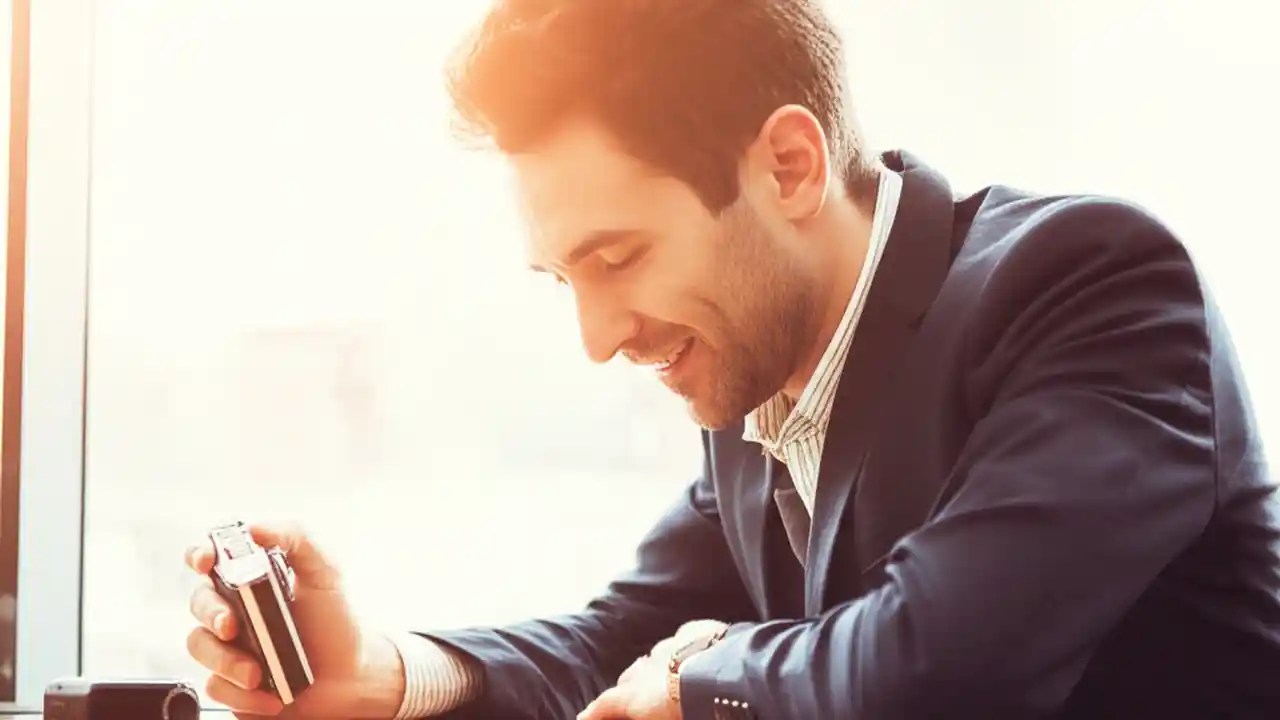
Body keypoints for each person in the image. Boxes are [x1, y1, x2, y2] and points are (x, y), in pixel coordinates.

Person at [183, 0, 1280, 718]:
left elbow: (947, 667)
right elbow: (622, 635)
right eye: (566, 280)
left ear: (789, 166)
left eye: (617, 258)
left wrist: (688, 687)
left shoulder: (1088, 285)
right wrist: (381, 673)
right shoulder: (751, 381)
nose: (598, 337)